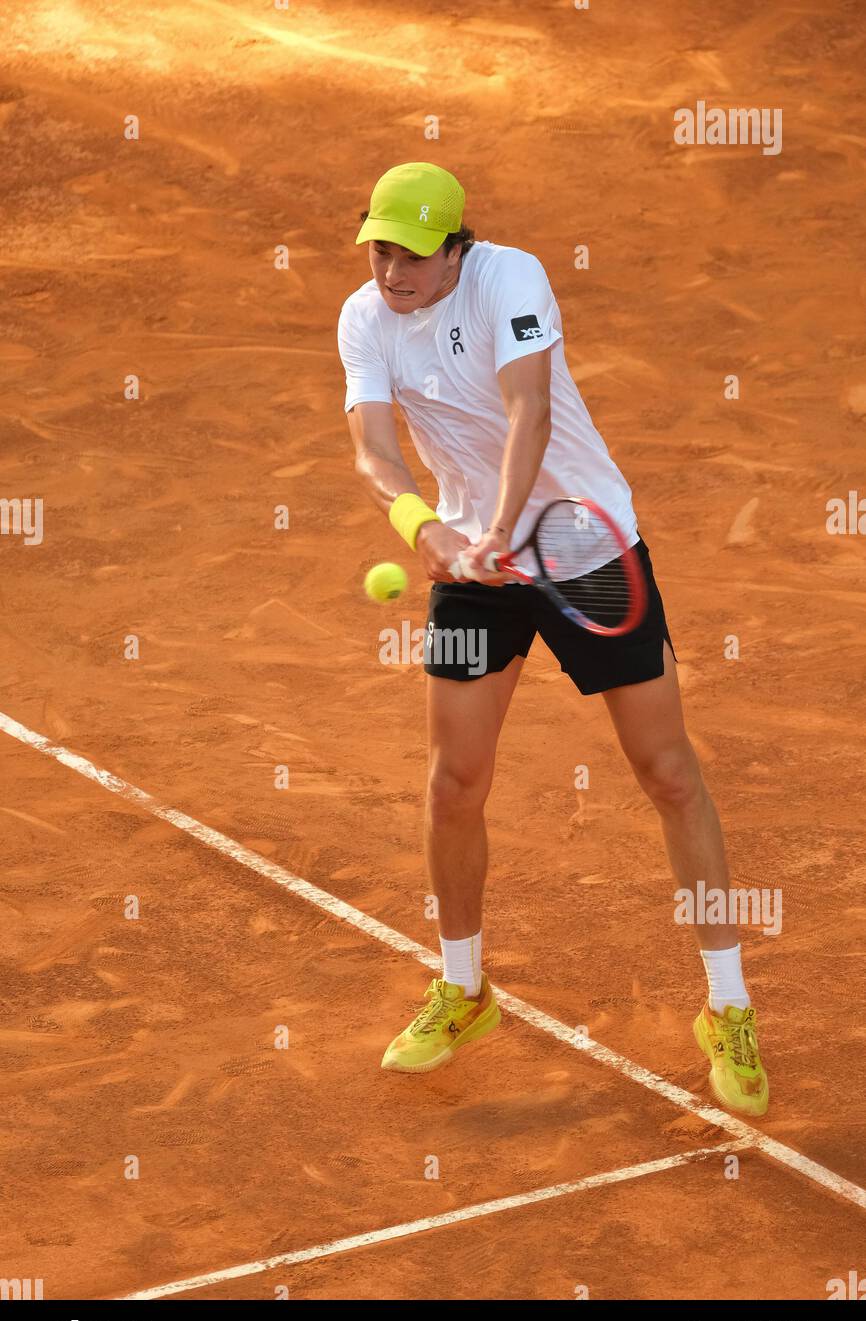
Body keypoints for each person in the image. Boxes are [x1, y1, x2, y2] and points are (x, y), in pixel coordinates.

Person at [337, 161, 768, 1116]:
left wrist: (497, 529)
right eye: (378, 246)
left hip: (582, 543)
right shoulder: (363, 317)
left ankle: (727, 1005)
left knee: (666, 772)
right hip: (472, 570)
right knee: (455, 780)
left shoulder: (513, 278)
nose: (391, 267)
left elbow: (528, 405)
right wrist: (430, 531)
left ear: (457, 247)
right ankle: (464, 987)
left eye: (411, 252)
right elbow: (373, 449)